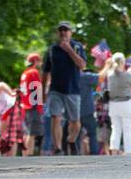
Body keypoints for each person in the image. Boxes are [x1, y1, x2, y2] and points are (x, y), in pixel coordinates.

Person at [42, 21, 86, 156]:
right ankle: (58, 148)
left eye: (66, 30)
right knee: (56, 117)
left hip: (73, 90)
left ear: (70, 32)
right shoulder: (52, 49)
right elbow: (45, 72)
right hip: (55, 90)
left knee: (75, 122)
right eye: (61, 30)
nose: (63, 32)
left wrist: (69, 50)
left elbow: (82, 65)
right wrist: (42, 91)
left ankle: (71, 140)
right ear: (58, 32)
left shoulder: (77, 47)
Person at [103, 53, 131, 155]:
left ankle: (114, 151)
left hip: (114, 104)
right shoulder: (128, 75)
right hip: (127, 104)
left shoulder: (110, 75)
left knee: (116, 129)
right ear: (123, 62)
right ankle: (128, 152)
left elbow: (117, 73)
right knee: (128, 130)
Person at [19, 53, 44, 156]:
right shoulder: (34, 72)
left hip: (25, 105)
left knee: (27, 132)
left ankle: (25, 153)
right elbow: (36, 88)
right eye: (38, 61)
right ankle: (29, 155)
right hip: (32, 106)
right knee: (32, 133)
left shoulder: (25, 73)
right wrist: (38, 106)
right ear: (35, 61)